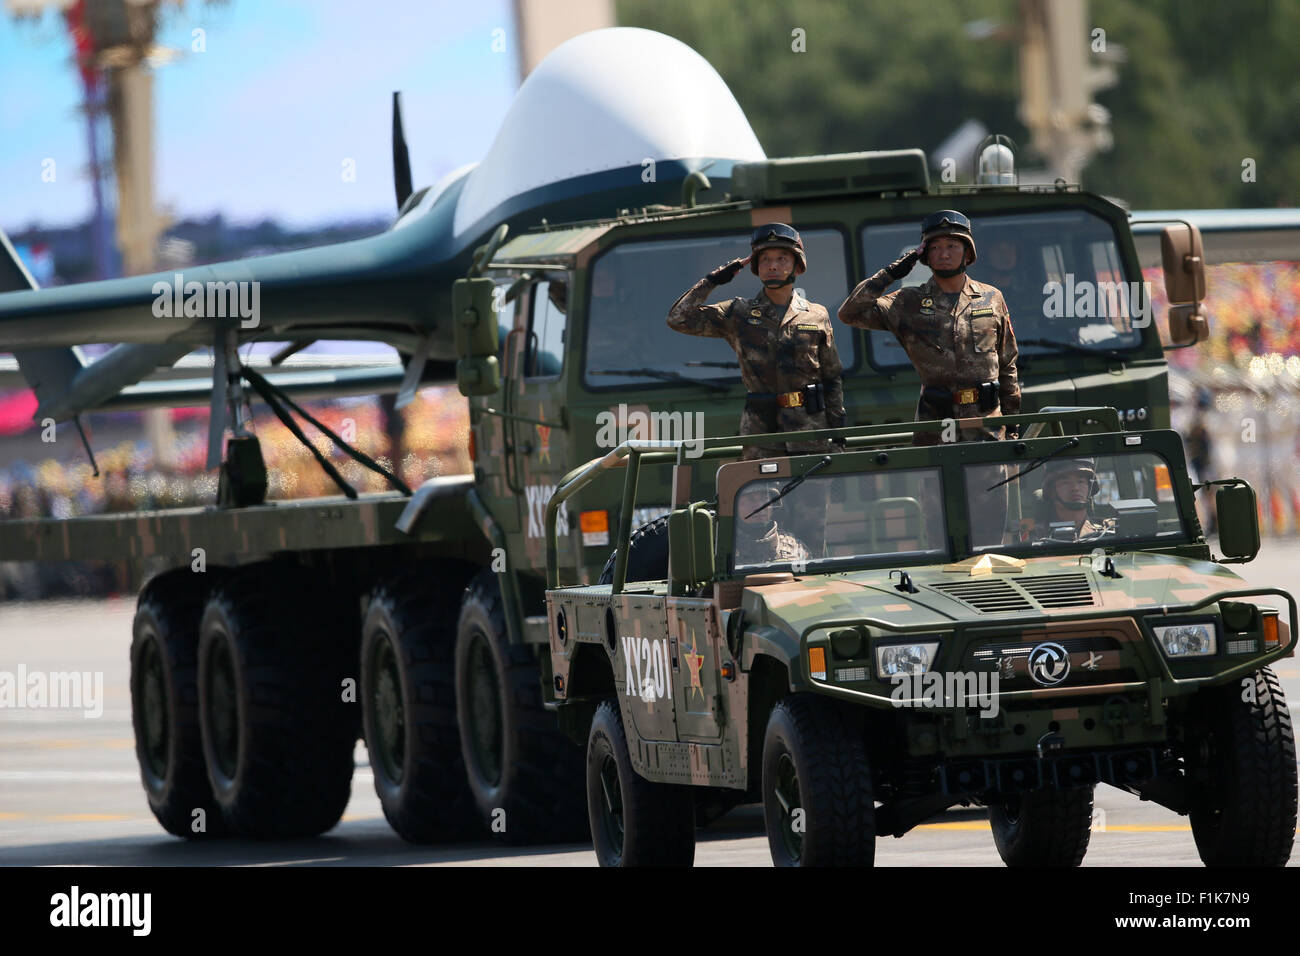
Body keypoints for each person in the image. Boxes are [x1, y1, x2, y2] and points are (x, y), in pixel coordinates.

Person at [837, 209, 1020, 444]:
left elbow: (1007, 364)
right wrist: (891, 273)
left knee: (991, 479)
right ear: (926, 256)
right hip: (936, 422)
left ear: (967, 253)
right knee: (939, 480)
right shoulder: (908, 303)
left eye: (952, 245)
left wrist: (1013, 425)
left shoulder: (991, 298)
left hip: (986, 421)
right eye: (935, 247)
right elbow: (849, 313)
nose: (944, 254)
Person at [667, 223, 846, 460]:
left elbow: (831, 378)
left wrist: (839, 434)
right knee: (761, 495)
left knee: (811, 494)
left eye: (782, 258)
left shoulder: (817, 314)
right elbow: (678, 319)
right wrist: (714, 280)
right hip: (762, 430)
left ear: (797, 266)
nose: (772, 265)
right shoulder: (738, 313)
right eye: (764, 259)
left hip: (811, 429)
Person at [1030, 458, 1115, 542]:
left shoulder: (1108, 530)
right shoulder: (1034, 537)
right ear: (1051, 491)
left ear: (1089, 489)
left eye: (1081, 481)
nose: (1075, 488)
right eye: (1065, 482)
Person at [733, 482, 810, 568]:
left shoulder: (796, 547)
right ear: (734, 506)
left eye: (764, 498)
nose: (759, 507)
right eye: (750, 500)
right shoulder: (725, 549)